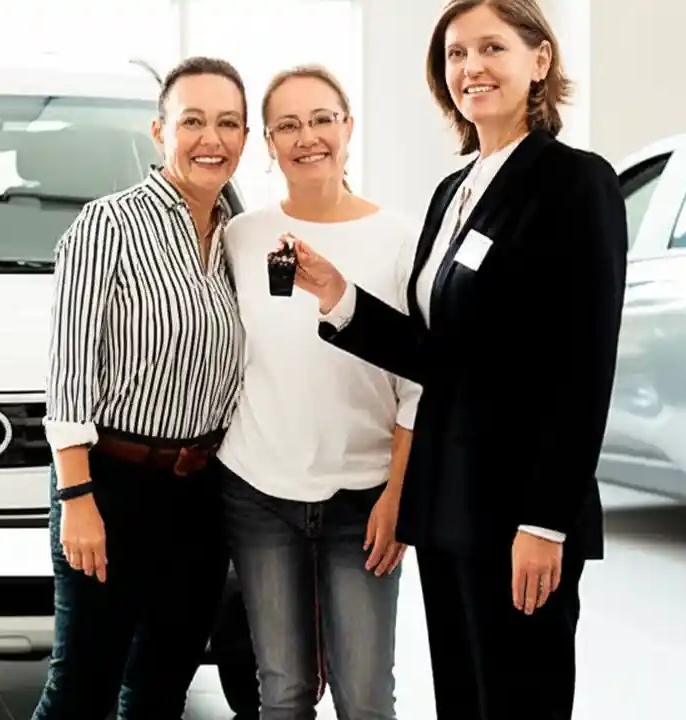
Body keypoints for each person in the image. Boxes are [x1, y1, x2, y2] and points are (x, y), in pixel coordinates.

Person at [287, 1, 627, 718]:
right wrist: (338, 295)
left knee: (519, 701)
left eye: (491, 48)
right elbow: (440, 356)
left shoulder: (575, 183)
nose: (471, 68)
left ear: (540, 61)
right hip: (448, 510)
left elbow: (584, 371)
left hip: (517, 517)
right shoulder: (456, 191)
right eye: (455, 54)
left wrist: (545, 523)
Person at [32, 56, 249, 720]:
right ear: (160, 132)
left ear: (245, 138)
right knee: (81, 688)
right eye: (193, 121)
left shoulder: (238, 242)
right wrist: (77, 499)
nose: (211, 139)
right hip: (110, 486)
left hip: (200, 495)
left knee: (162, 686)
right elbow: (68, 375)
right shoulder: (108, 226)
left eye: (228, 123)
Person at [215, 64, 420, 720]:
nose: (309, 137)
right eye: (289, 125)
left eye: (323, 119)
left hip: (365, 500)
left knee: (365, 697)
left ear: (348, 128)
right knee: (284, 689)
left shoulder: (399, 236)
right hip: (258, 493)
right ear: (268, 144)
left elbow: (419, 382)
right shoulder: (240, 237)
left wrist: (399, 495)